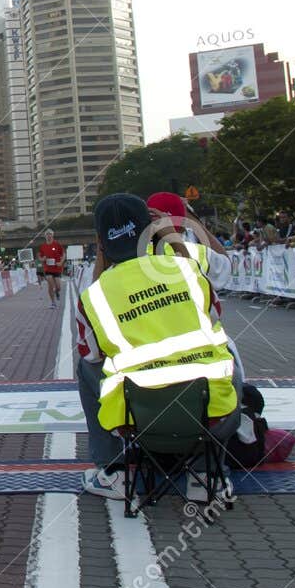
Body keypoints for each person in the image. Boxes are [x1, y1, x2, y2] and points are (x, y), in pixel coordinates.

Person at [75, 193, 240, 503]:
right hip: (212, 414)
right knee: (226, 349)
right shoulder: (187, 271)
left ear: (101, 241)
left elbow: (92, 356)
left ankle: (114, 470)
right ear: (150, 229)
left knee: (86, 365)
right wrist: (172, 238)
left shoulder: (94, 296)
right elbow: (214, 314)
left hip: (138, 420)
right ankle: (206, 475)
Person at [38, 230, 65, 307]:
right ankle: (53, 302)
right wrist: (42, 259)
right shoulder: (43, 246)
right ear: (45, 236)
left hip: (56, 268)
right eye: (47, 234)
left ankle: (57, 292)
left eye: (50, 234)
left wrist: (61, 262)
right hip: (47, 269)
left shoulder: (57, 245)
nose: (48, 236)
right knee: (51, 285)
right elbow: (39, 257)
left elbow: (63, 254)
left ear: (52, 235)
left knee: (58, 287)